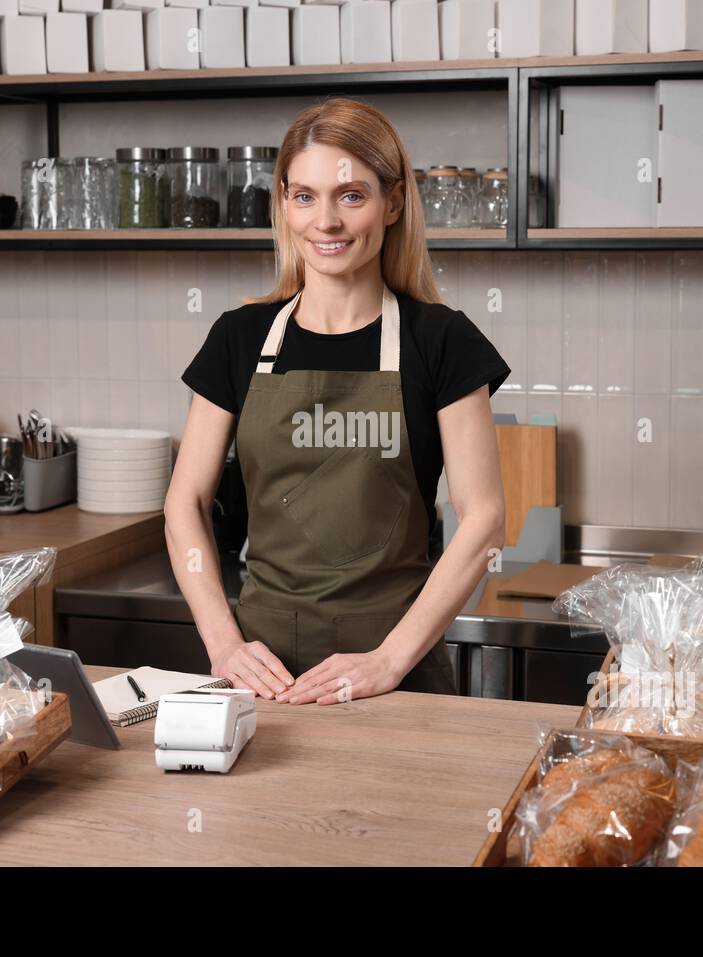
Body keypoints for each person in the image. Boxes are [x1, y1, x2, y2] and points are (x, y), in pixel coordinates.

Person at [164, 98, 509, 705]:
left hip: (395, 677)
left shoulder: (441, 341)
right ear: (283, 204)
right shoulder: (239, 338)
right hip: (263, 678)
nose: (325, 221)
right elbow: (184, 504)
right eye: (304, 196)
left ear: (394, 202)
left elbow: (483, 520)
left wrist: (389, 661)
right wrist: (223, 644)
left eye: (351, 195)